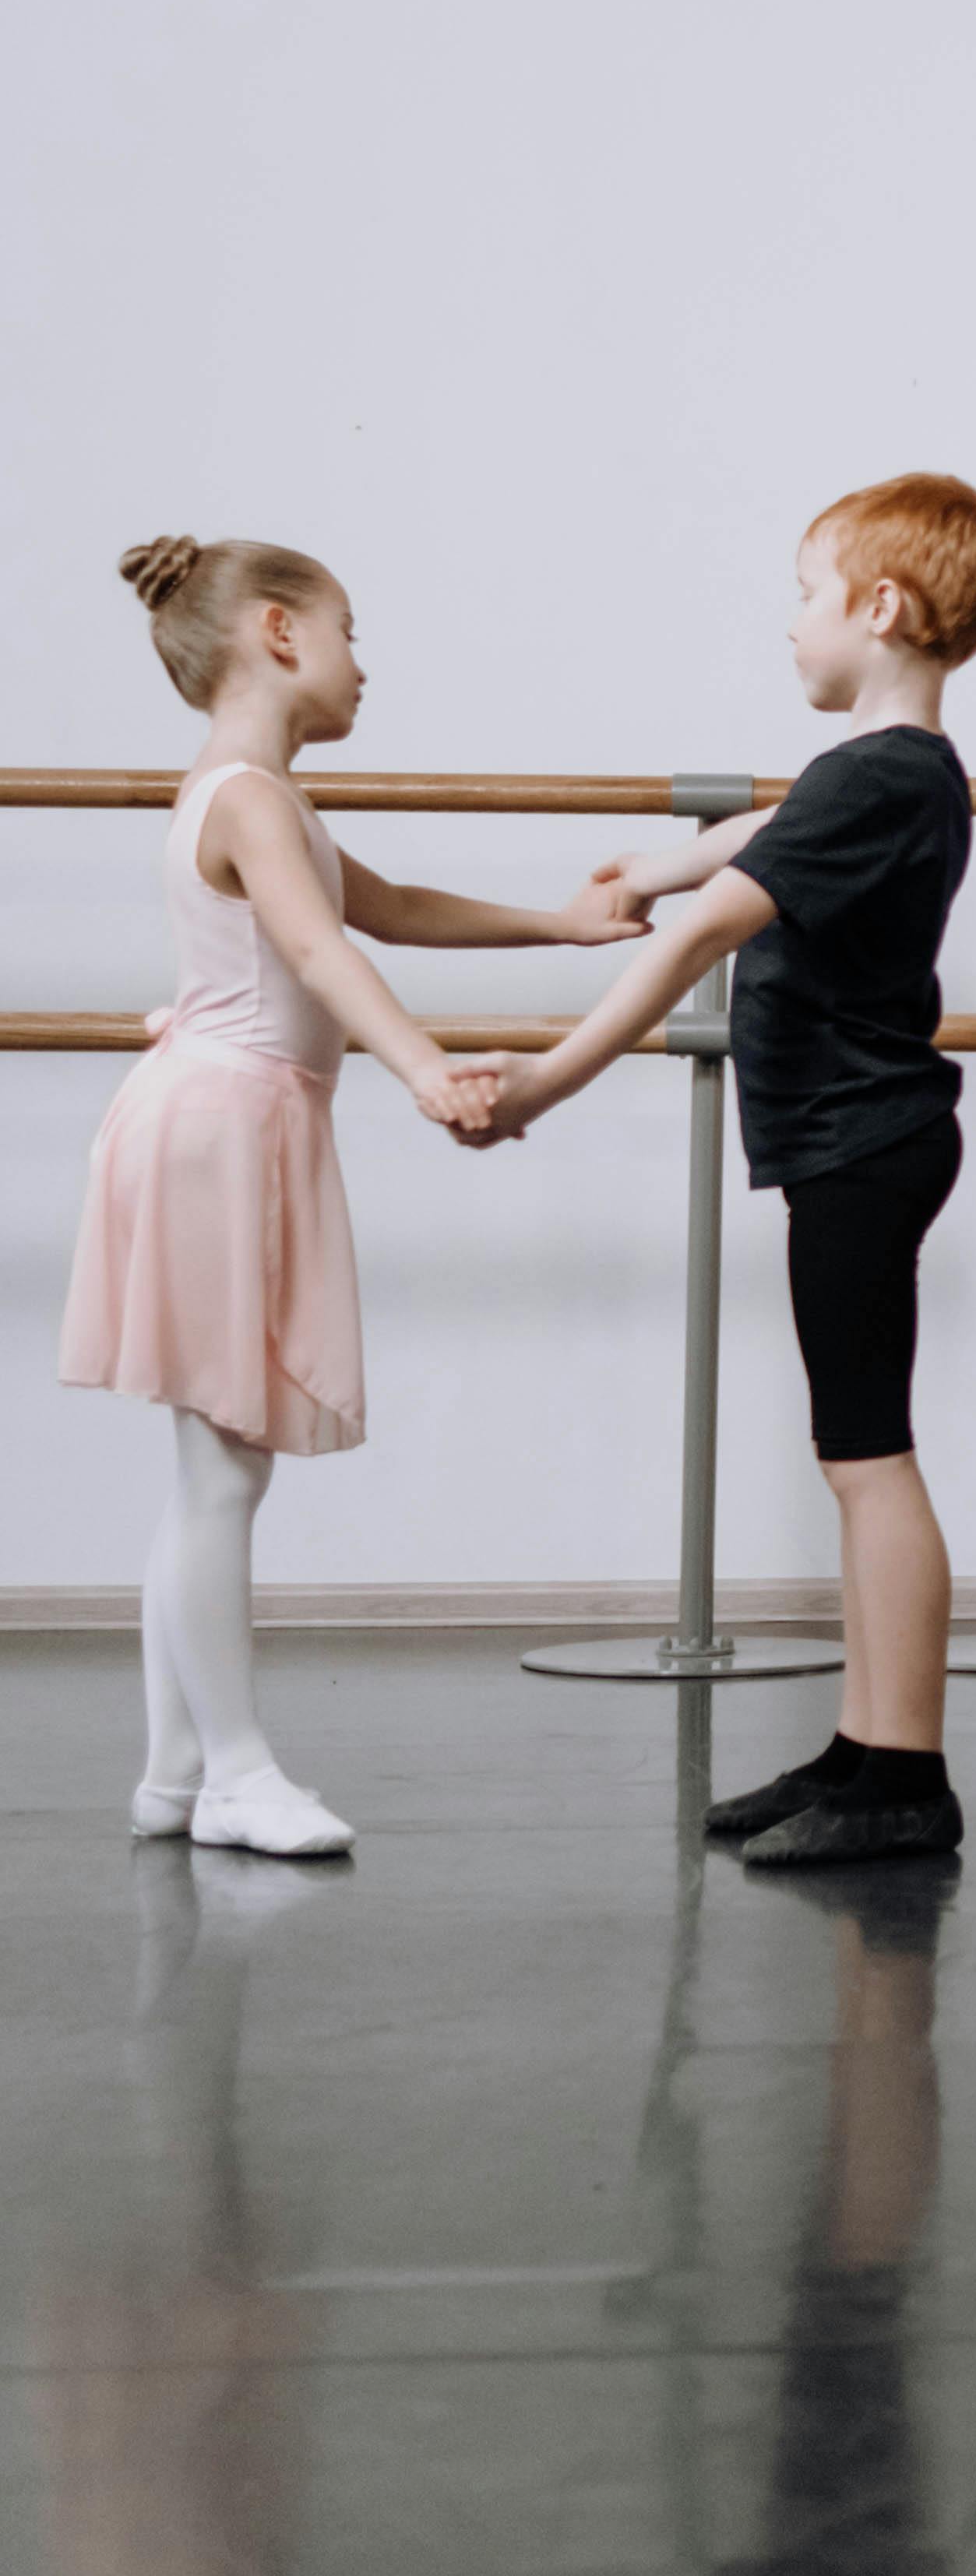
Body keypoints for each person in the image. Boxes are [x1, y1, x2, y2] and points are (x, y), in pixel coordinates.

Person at [467, 474, 976, 1865]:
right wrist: (655, 862)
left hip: (862, 1144)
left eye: (804, 593)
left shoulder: (874, 775)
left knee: (868, 1459)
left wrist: (546, 1078)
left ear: (880, 609)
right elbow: (750, 844)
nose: (790, 624)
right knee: (854, 1454)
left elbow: (698, 941)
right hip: (856, 1142)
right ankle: (862, 1745)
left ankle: (907, 1777)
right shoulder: (895, 774)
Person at [61, 534, 629, 1854]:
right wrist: (428, 1072)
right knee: (222, 1466)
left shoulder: (261, 795)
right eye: (350, 631)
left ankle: (177, 1771)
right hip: (221, 1122)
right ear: (276, 632)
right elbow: (315, 953)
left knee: (213, 1470)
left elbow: (388, 905)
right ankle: (239, 1773)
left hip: (235, 1120)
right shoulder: (248, 796)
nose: (364, 663)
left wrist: (563, 927)